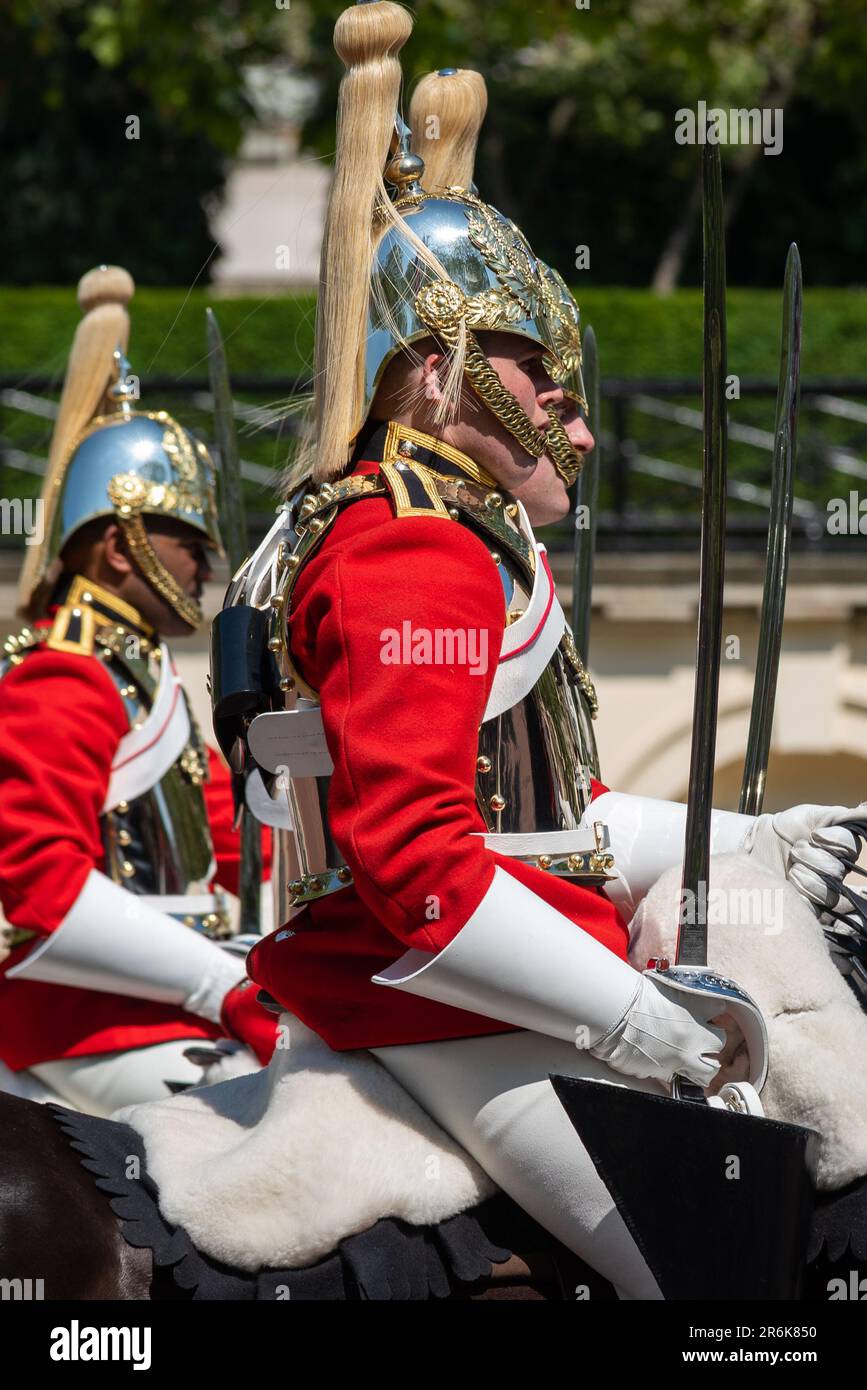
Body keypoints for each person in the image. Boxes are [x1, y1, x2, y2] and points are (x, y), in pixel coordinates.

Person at [231, 3, 863, 1297]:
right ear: (435, 369)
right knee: (733, 1292)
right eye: (550, 391)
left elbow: (537, 816)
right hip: (453, 1008)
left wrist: (751, 837)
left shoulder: (432, 533)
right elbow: (417, 869)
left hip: (484, 980)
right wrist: (647, 1029)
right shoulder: (410, 548)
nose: (576, 435)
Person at [0, 265, 275, 1118]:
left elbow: (222, 863)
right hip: (85, 1026)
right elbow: (39, 891)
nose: (205, 561)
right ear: (122, 549)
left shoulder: (140, 673)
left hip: (155, 1007)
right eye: (188, 538)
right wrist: (220, 984)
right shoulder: (64, 673)